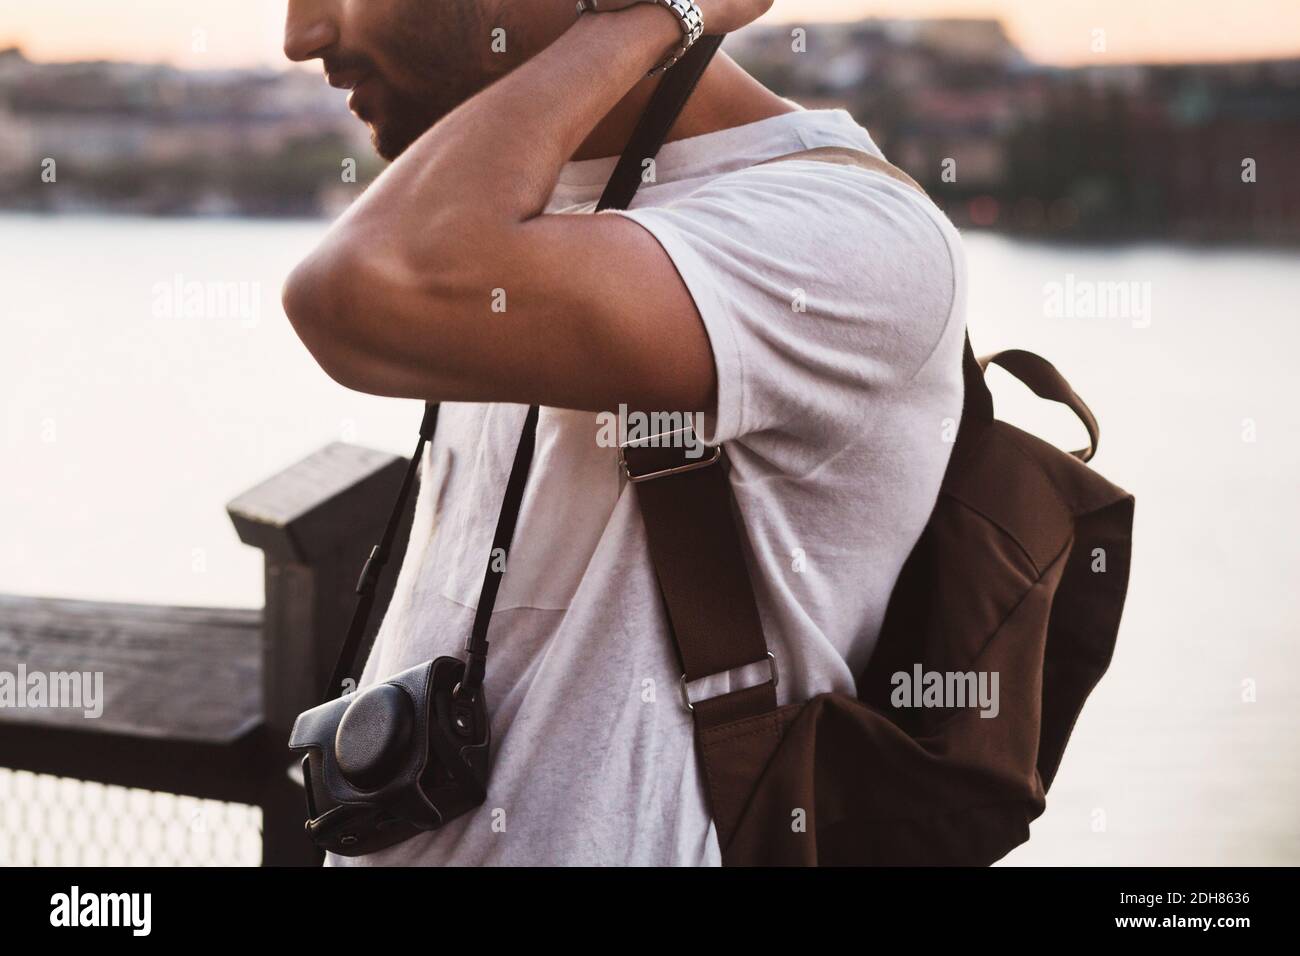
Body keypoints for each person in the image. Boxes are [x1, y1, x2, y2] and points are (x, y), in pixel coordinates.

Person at [281, 0, 967, 865]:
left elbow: (356, 292)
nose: (302, 37)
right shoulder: (506, 217)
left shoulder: (842, 232)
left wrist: (655, 13)